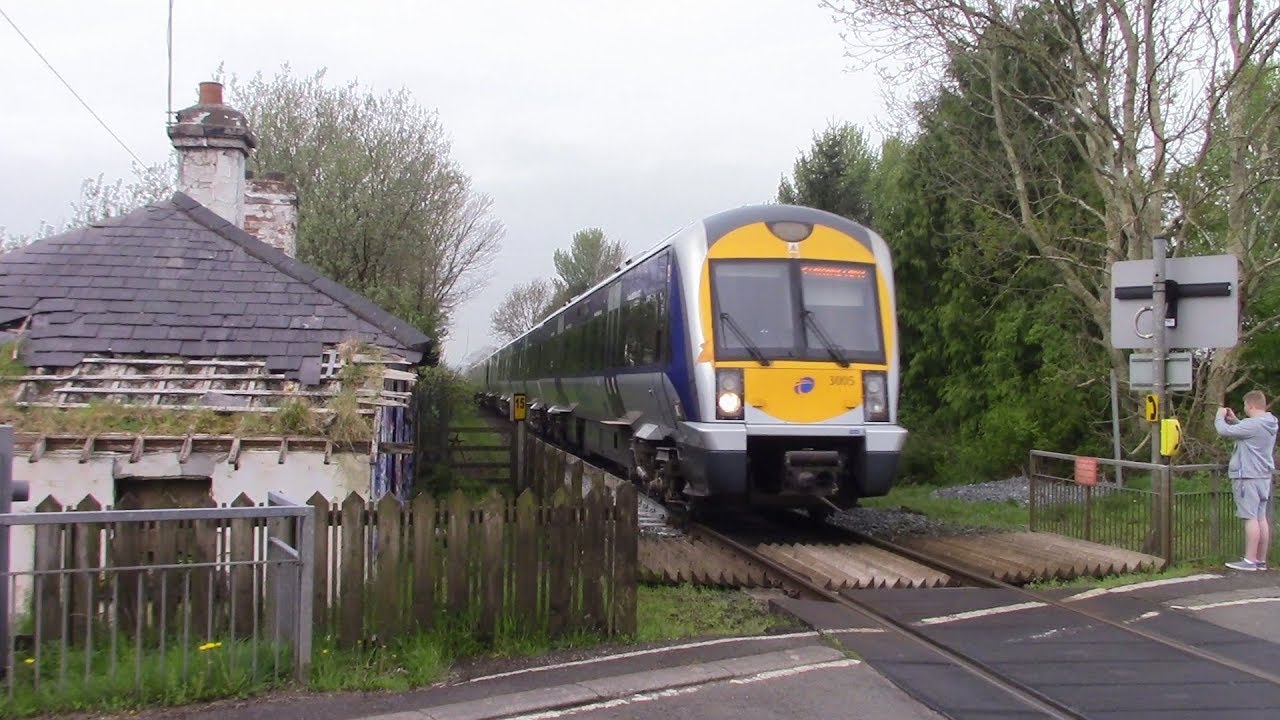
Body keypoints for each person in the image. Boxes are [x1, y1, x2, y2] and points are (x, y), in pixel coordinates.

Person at [1215, 390, 1278, 571]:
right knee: (1261, 518)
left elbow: (1223, 430)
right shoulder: (1270, 422)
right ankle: (1260, 560)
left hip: (1248, 476)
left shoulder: (1252, 425)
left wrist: (1219, 416)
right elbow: (1247, 431)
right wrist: (1236, 421)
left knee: (1250, 518)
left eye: (1245, 405)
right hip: (1263, 476)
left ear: (1250, 405)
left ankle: (1249, 560)